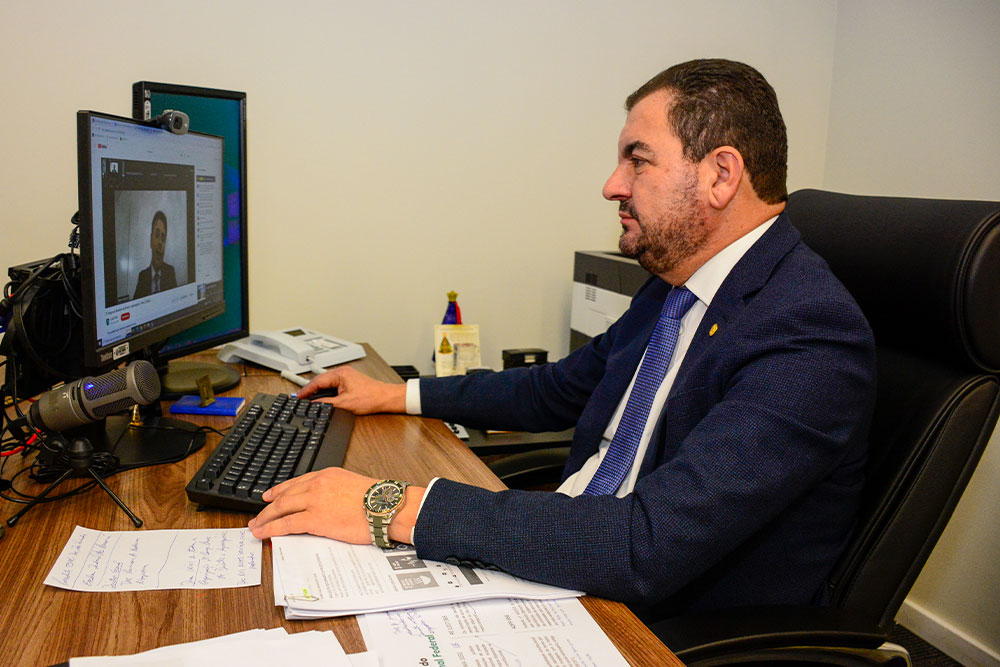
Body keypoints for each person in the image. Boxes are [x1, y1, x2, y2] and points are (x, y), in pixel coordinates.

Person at [248, 59, 876, 618]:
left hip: (655, 618)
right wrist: (398, 394)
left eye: (638, 158)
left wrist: (389, 506)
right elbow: (557, 389)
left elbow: (648, 544)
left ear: (721, 174)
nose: (613, 185)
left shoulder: (810, 337)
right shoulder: (676, 286)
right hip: (576, 554)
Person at [133, 210, 177, 299]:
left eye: (163, 238)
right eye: (157, 235)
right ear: (150, 240)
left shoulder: (170, 272)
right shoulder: (142, 277)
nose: (160, 242)